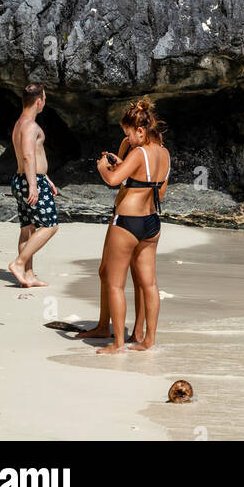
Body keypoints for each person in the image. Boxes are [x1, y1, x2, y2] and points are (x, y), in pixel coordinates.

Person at [94, 97, 171, 354]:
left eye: (128, 133)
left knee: (116, 284)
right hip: (151, 223)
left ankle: (117, 344)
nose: (127, 138)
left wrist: (103, 168)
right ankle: (148, 340)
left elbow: (114, 180)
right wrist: (128, 169)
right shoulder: (164, 153)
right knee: (149, 284)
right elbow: (158, 193)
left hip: (127, 222)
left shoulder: (138, 152)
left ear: (140, 131)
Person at [79, 136, 148, 345]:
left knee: (139, 278)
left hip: (138, 217)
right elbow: (122, 182)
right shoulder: (128, 144)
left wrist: (108, 171)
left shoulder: (153, 152)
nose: (127, 137)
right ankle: (103, 326)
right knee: (105, 271)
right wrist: (119, 165)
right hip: (119, 212)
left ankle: (137, 332)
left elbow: (157, 192)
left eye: (129, 131)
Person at [9, 84, 59, 288]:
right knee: (50, 226)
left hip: (21, 179)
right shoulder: (31, 126)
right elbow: (28, 155)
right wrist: (34, 185)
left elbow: (28, 157)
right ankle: (19, 264)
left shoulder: (19, 124)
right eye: (44, 99)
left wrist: (44, 177)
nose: (44, 103)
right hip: (30, 181)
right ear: (39, 101)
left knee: (27, 228)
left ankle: (28, 275)